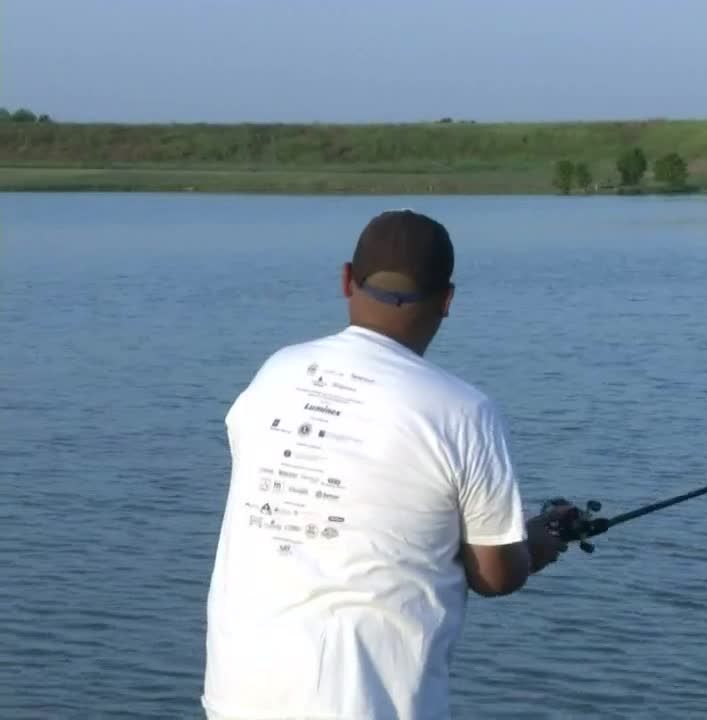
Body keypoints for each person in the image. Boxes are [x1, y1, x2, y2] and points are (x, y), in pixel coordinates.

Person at [202, 209, 574, 720]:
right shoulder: (465, 412)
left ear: (346, 281)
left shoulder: (275, 371)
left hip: (237, 695)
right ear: (447, 301)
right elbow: (495, 576)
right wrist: (533, 544)